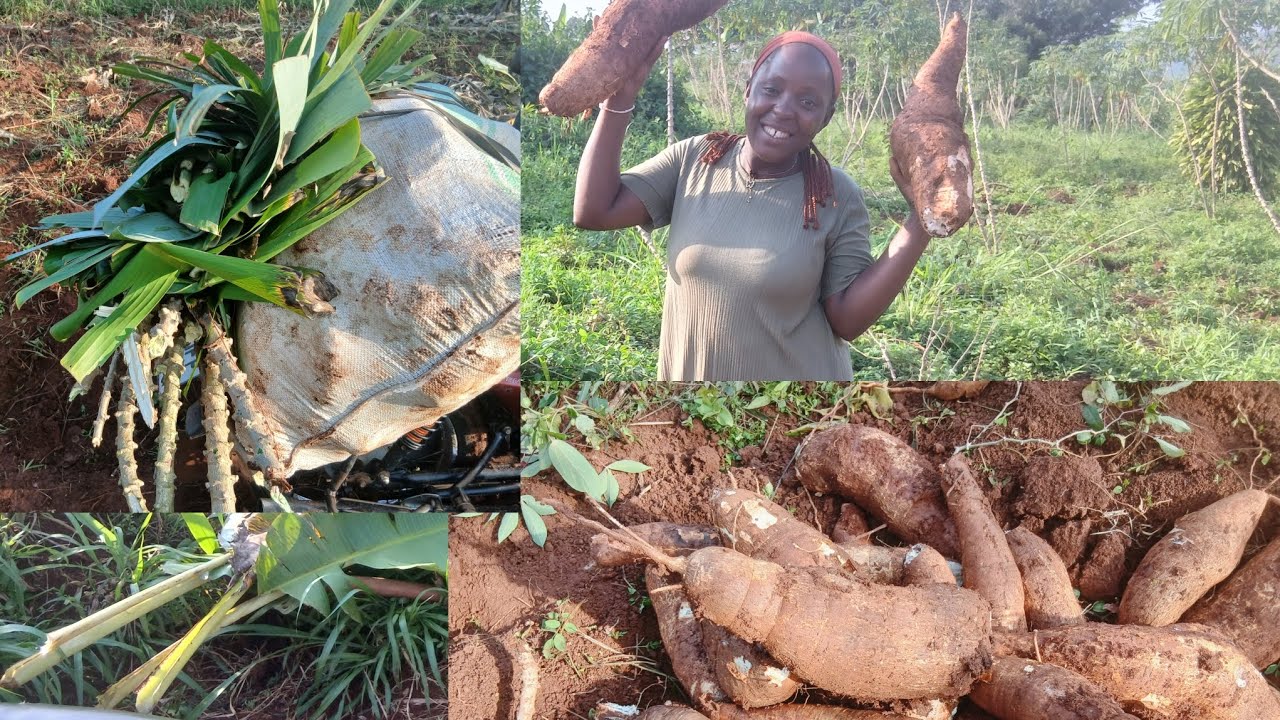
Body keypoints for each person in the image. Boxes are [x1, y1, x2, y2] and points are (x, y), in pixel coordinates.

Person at [574, 31, 935, 381]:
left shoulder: (834, 193)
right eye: (772, 90)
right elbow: (594, 211)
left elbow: (848, 320)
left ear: (826, 117)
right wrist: (617, 99)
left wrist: (920, 222)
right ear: (749, 90)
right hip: (690, 401)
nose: (783, 109)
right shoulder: (697, 159)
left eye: (808, 102)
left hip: (791, 407)